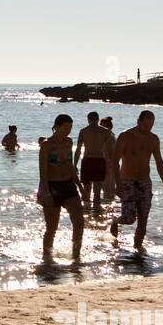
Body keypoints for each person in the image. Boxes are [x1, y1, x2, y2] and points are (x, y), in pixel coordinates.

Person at [109, 110, 163, 250]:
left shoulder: (153, 139)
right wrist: (118, 185)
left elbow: (159, 162)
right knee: (129, 219)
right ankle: (116, 221)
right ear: (138, 121)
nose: (148, 129)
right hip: (127, 181)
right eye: (145, 126)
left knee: (143, 219)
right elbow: (114, 161)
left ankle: (138, 250)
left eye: (151, 126)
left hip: (144, 182)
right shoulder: (125, 136)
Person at [37, 114, 85, 262]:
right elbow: (43, 172)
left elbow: (71, 166)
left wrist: (80, 186)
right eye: (66, 128)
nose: (68, 131)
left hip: (68, 185)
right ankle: (47, 259)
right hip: (52, 187)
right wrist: (47, 193)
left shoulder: (69, 142)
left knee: (79, 221)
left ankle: (76, 256)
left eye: (70, 128)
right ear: (56, 127)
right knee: (52, 228)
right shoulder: (46, 146)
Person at [74, 112, 112, 212]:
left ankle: (86, 210)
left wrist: (74, 164)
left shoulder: (83, 131)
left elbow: (78, 149)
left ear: (88, 120)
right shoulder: (105, 131)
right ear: (98, 119)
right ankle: (96, 210)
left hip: (87, 160)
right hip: (100, 160)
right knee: (97, 190)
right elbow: (109, 150)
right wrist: (111, 163)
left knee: (87, 188)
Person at [99, 117, 118, 202]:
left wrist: (111, 163)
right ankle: (109, 204)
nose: (99, 128)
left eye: (102, 126)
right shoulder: (110, 135)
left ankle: (108, 205)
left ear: (108, 127)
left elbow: (112, 151)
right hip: (107, 163)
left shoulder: (109, 136)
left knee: (107, 188)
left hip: (109, 163)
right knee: (108, 188)